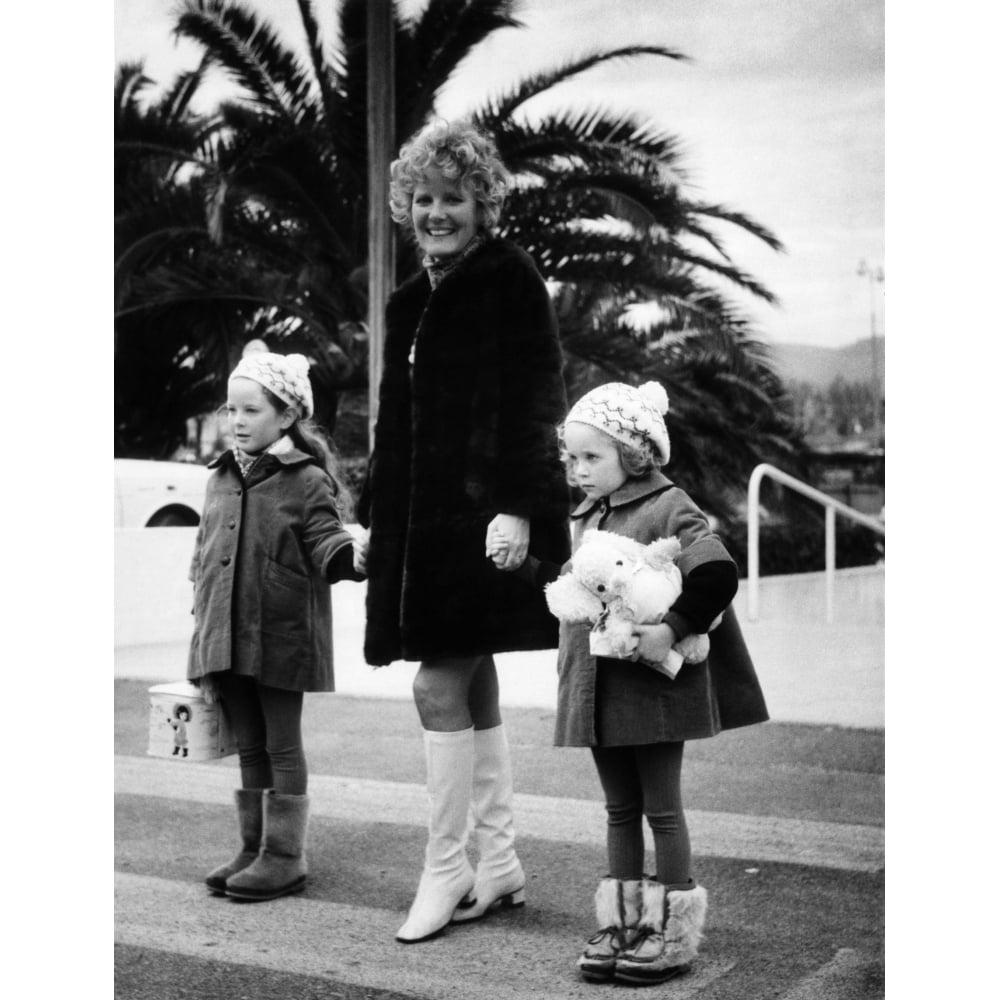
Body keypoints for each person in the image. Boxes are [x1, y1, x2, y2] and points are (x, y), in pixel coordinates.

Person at [355, 118, 571, 943]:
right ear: (406, 205)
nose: (437, 210)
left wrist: (519, 503)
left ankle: (447, 869)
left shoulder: (511, 280)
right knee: (468, 680)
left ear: (484, 202)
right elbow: (391, 424)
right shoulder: (409, 300)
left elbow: (537, 400)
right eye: (423, 197)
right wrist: (371, 516)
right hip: (420, 530)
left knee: (433, 685)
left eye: (454, 196)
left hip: (485, 526)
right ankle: (500, 862)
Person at [492, 380, 768, 985]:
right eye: (571, 458)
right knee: (620, 808)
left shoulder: (668, 504)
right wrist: (522, 570)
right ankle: (623, 925)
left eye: (592, 457)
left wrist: (672, 629)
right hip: (597, 688)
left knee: (661, 809)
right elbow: (572, 587)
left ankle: (671, 931)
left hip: (653, 688)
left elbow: (718, 570)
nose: (578, 471)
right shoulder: (587, 514)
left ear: (634, 451)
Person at [188, 345, 363, 902]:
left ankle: (286, 855)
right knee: (249, 745)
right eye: (230, 410)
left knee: (281, 745)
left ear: (286, 416)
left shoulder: (305, 478)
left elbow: (326, 540)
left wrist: (354, 557)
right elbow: (204, 550)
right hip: (224, 630)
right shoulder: (218, 477)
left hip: (280, 632)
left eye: (251, 411)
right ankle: (255, 846)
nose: (236, 421)